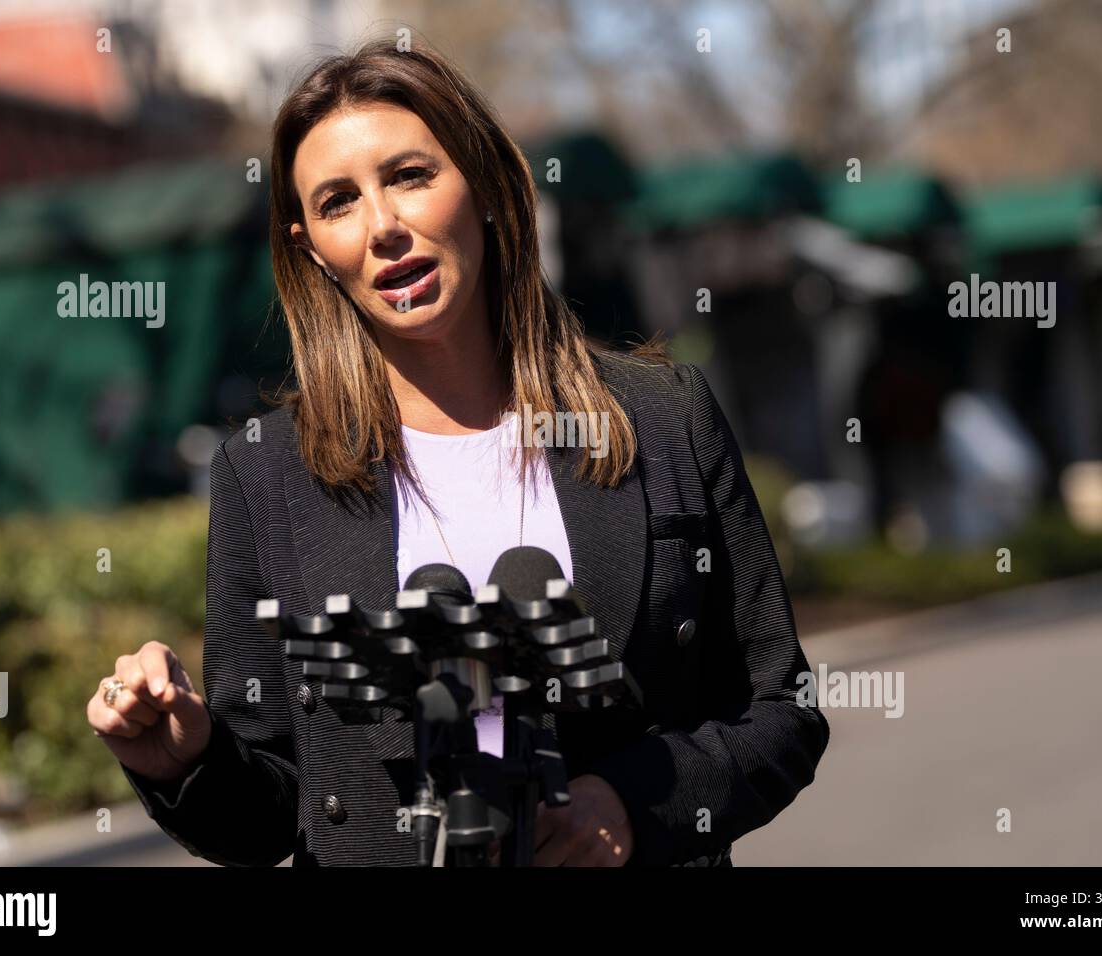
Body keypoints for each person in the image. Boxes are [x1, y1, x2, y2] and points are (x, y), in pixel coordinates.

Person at [86, 36, 828, 867]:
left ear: (485, 188)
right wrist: (186, 758)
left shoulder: (663, 418)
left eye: (409, 176)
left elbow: (783, 712)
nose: (383, 228)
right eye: (338, 202)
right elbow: (272, 816)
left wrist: (631, 799)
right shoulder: (266, 474)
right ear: (310, 249)